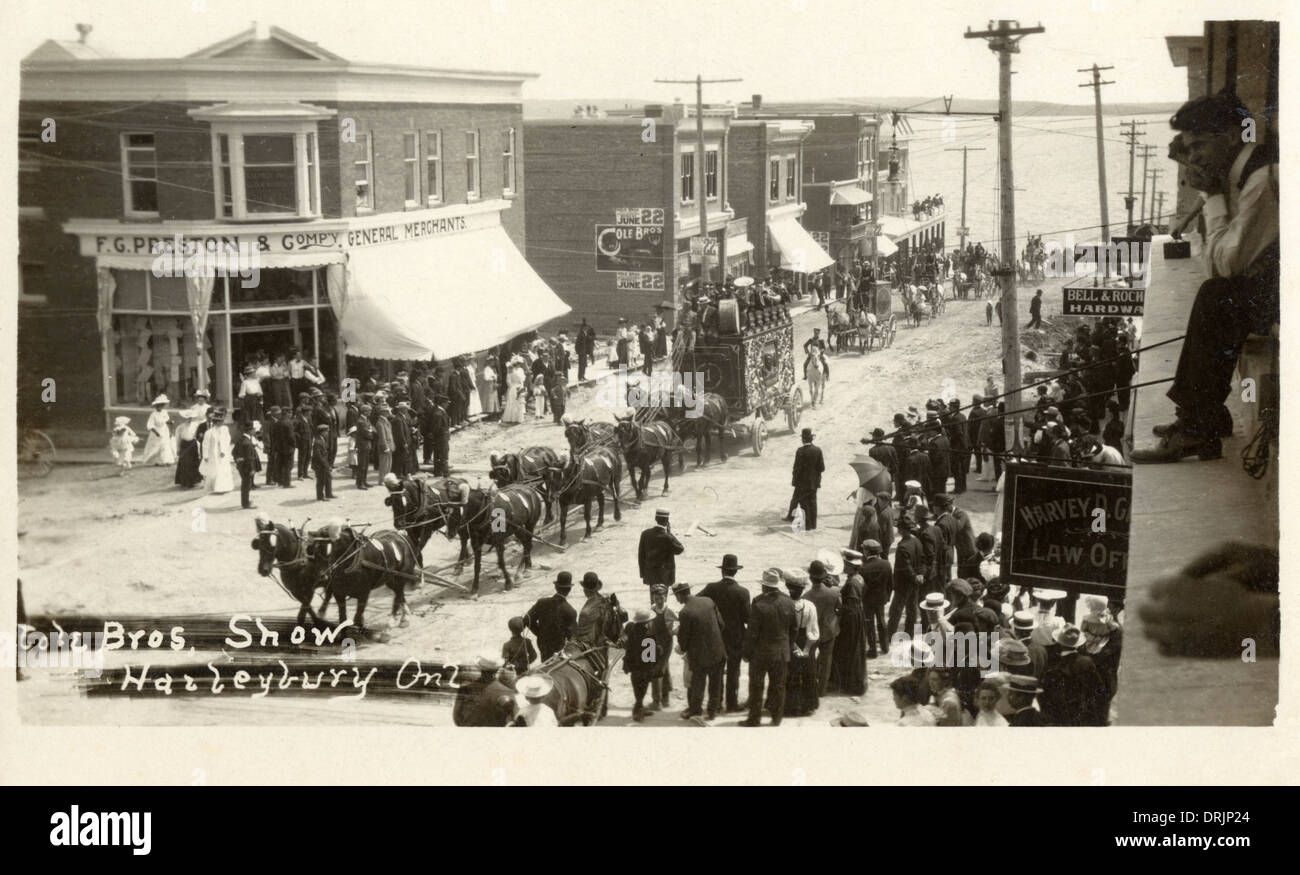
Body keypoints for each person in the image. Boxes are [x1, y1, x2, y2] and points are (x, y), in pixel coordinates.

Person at [1133, 94, 1278, 463]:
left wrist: (1212, 196)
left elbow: (1225, 265)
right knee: (1219, 295)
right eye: (1187, 147)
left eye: (1199, 145)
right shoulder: (1243, 174)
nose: (1192, 157)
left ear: (1230, 136)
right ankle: (1204, 415)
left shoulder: (1261, 181)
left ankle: (1198, 425)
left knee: (1218, 296)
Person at [741, 568, 797, 727]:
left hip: (761, 653)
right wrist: (788, 646)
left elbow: (752, 633)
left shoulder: (759, 604)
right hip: (781, 652)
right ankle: (777, 717)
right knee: (778, 686)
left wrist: (746, 652)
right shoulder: (789, 601)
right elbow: (794, 628)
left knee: (757, 686)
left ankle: (754, 718)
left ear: (764, 586)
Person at [699, 554, 751, 713]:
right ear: (736, 572)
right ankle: (731, 703)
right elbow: (747, 617)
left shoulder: (711, 588)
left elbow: (697, 601)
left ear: (722, 571)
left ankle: (716, 703)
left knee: (717, 672)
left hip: (716, 636)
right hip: (736, 638)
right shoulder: (743, 592)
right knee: (734, 671)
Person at [672, 582, 727, 721]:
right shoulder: (708, 601)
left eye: (676, 596)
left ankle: (695, 711)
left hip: (699, 656)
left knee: (698, 684)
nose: (677, 600)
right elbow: (721, 625)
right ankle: (712, 712)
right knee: (715, 683)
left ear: (679, 595)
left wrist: (681, 643)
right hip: (718, 651)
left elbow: (683, 642)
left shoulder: (685, 612)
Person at [621, 607, 672, 721]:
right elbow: (650, 657)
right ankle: (638, 712)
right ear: (646, 623)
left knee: (637, 689)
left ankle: (639, 708)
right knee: (641, 691)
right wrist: (659, 650)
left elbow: (626, 644)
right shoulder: (649, 636)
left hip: (632, 666)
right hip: (643, 669)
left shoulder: (631, 628)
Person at [783, 570, 821, 717]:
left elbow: (785, 632)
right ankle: (808, 706)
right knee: (808, 673)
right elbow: (814, 631)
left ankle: (791, 706)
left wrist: (795, 648)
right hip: (806, 640)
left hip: (790, 642)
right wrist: (806, 649)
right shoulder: (810, 606)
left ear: (787, 586)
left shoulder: (785, 605)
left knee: (791, 674)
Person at [832, 550, 868, 695]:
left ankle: (849, 683)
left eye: (846, 564)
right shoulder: (858, 578)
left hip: (851, 619)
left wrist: (839, 605)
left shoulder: (852, 582)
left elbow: (851, 606)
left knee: (848, 649)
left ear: (851, 566)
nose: (844, 566)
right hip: (858, 616)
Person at [805, 561, 841, 696]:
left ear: (810, 577)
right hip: (829, 631)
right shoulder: (834, 593)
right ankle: (822, 689)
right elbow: (839, 609)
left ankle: (812, 686)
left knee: (811, 660)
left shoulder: (806, 596)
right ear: (824, 575)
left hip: (813, 633)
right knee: (826, 660)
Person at [523, 572, 578, 661]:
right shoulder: (570, 611)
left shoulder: (542, 602)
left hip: (543, 644)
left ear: (555, 587)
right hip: (558, 647)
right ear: (569, 589)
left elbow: (527, 619)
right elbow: (572, 635)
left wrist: (540, 633)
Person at [452, 656, 517, 727]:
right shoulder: (507, 692)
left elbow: (457, 719)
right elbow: (511, 721)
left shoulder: (464, 690)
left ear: (479, 668)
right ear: (498, 669)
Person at [888, 517, 926, 639]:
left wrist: (914, 576)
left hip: (903, 584)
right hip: (915, 583)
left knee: (896, 610)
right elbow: (923, 560)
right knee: (912, 609)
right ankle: (910, 633)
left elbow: (906, 566)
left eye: (899, 528)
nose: (898, 529)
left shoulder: (902, 546)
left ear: (903, 530)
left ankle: (890, 635)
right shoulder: (917, 542)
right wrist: (921, 575)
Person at [638, 508, 683, 595]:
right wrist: (669, 533)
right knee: (662, 599)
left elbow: (641, 555)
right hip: (665, 574)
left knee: (654, 598)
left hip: (651, 573)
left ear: (655, 519)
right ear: (667, 521)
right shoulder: (667, 537)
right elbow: (680, 549)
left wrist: (643, 573)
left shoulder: (645, 534)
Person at [788, 428, 825, 530]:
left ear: (803, 439)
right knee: (813, 502)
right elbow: (822, 468)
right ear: (811, 439)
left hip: (802, 483)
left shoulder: (800, 451)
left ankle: (807, 525)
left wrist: (794, 481)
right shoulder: (818, 450)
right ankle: (813, 525)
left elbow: (796, 468)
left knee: (804, 503)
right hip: (814, 482)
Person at [574, 572, 622, 647]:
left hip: (590, 643)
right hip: (601, 640)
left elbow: (582, 631)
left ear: (585, 590)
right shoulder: (604, 600)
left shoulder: (587, 609)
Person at [174, 389, 210, 488]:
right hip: (184, 445)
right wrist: (177, 448)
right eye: (187, 418)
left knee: (193, 462)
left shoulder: (195, 426)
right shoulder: (180, 427)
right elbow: (178, 438)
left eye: (190, 418)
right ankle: (184, 481)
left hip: (192, 445)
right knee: (185, 463)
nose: (188, 419)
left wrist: (198, 444)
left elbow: (197, 436)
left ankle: (193, 480)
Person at [199, 408, 234, 494]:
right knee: (215, 470)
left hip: (223, 453)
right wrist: (205, 456)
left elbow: (227, 440)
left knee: (224, 469)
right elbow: (205, 445)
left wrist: (224, 450)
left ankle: (224, 487)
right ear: (216, 422)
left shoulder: (225, 429)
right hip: (213, 453)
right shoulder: (209, 432)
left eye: (222, 421)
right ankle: (216, 487)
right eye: (219, 421)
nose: (222, 423)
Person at [138, 395, 176, 466]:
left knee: (165, 445)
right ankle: (156, 461)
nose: (160, 407)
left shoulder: (165, 412)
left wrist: (170, 422)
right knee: (156, 447)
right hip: (156, 432)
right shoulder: (153, 415)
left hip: (164, 431)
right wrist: (156, 433)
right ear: (156, 406)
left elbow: (166, 420)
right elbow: (150, 425)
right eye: (158, 406)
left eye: (162, 406)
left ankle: (167, 461)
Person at [232, 417, 260, 509]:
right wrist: (252, 469)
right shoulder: (247, 443)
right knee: (246, 486)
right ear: (250, 431)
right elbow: (249, 458)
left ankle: (245, 502)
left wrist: (238, 460)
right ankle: (245, 503)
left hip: (241, 466)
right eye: (253, 430)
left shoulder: (241, 439)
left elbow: (234, 452)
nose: (254, 431)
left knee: (245, 484)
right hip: (247, 467)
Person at [311, 424, 334, 501]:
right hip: (320, 464)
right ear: (322, 432)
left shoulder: (322, 439)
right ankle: (320, 496)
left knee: (328, 478)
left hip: (324, 462)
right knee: (321, 480)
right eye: (326, 431)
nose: (327, 433)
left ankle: (329, 493)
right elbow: (318, 456)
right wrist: (325, 464)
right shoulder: (317, 442)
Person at [374, 405, 394, 481]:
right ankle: (382, 480)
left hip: (389, 445)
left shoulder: (386, 421)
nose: (389, 412)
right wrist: (385, 447)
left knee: (389, 464)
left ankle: (386, 479)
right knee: (384, 464)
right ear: (383, 413)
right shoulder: (380, 423)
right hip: (385, 446)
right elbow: (382, 437)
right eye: (388, 411)